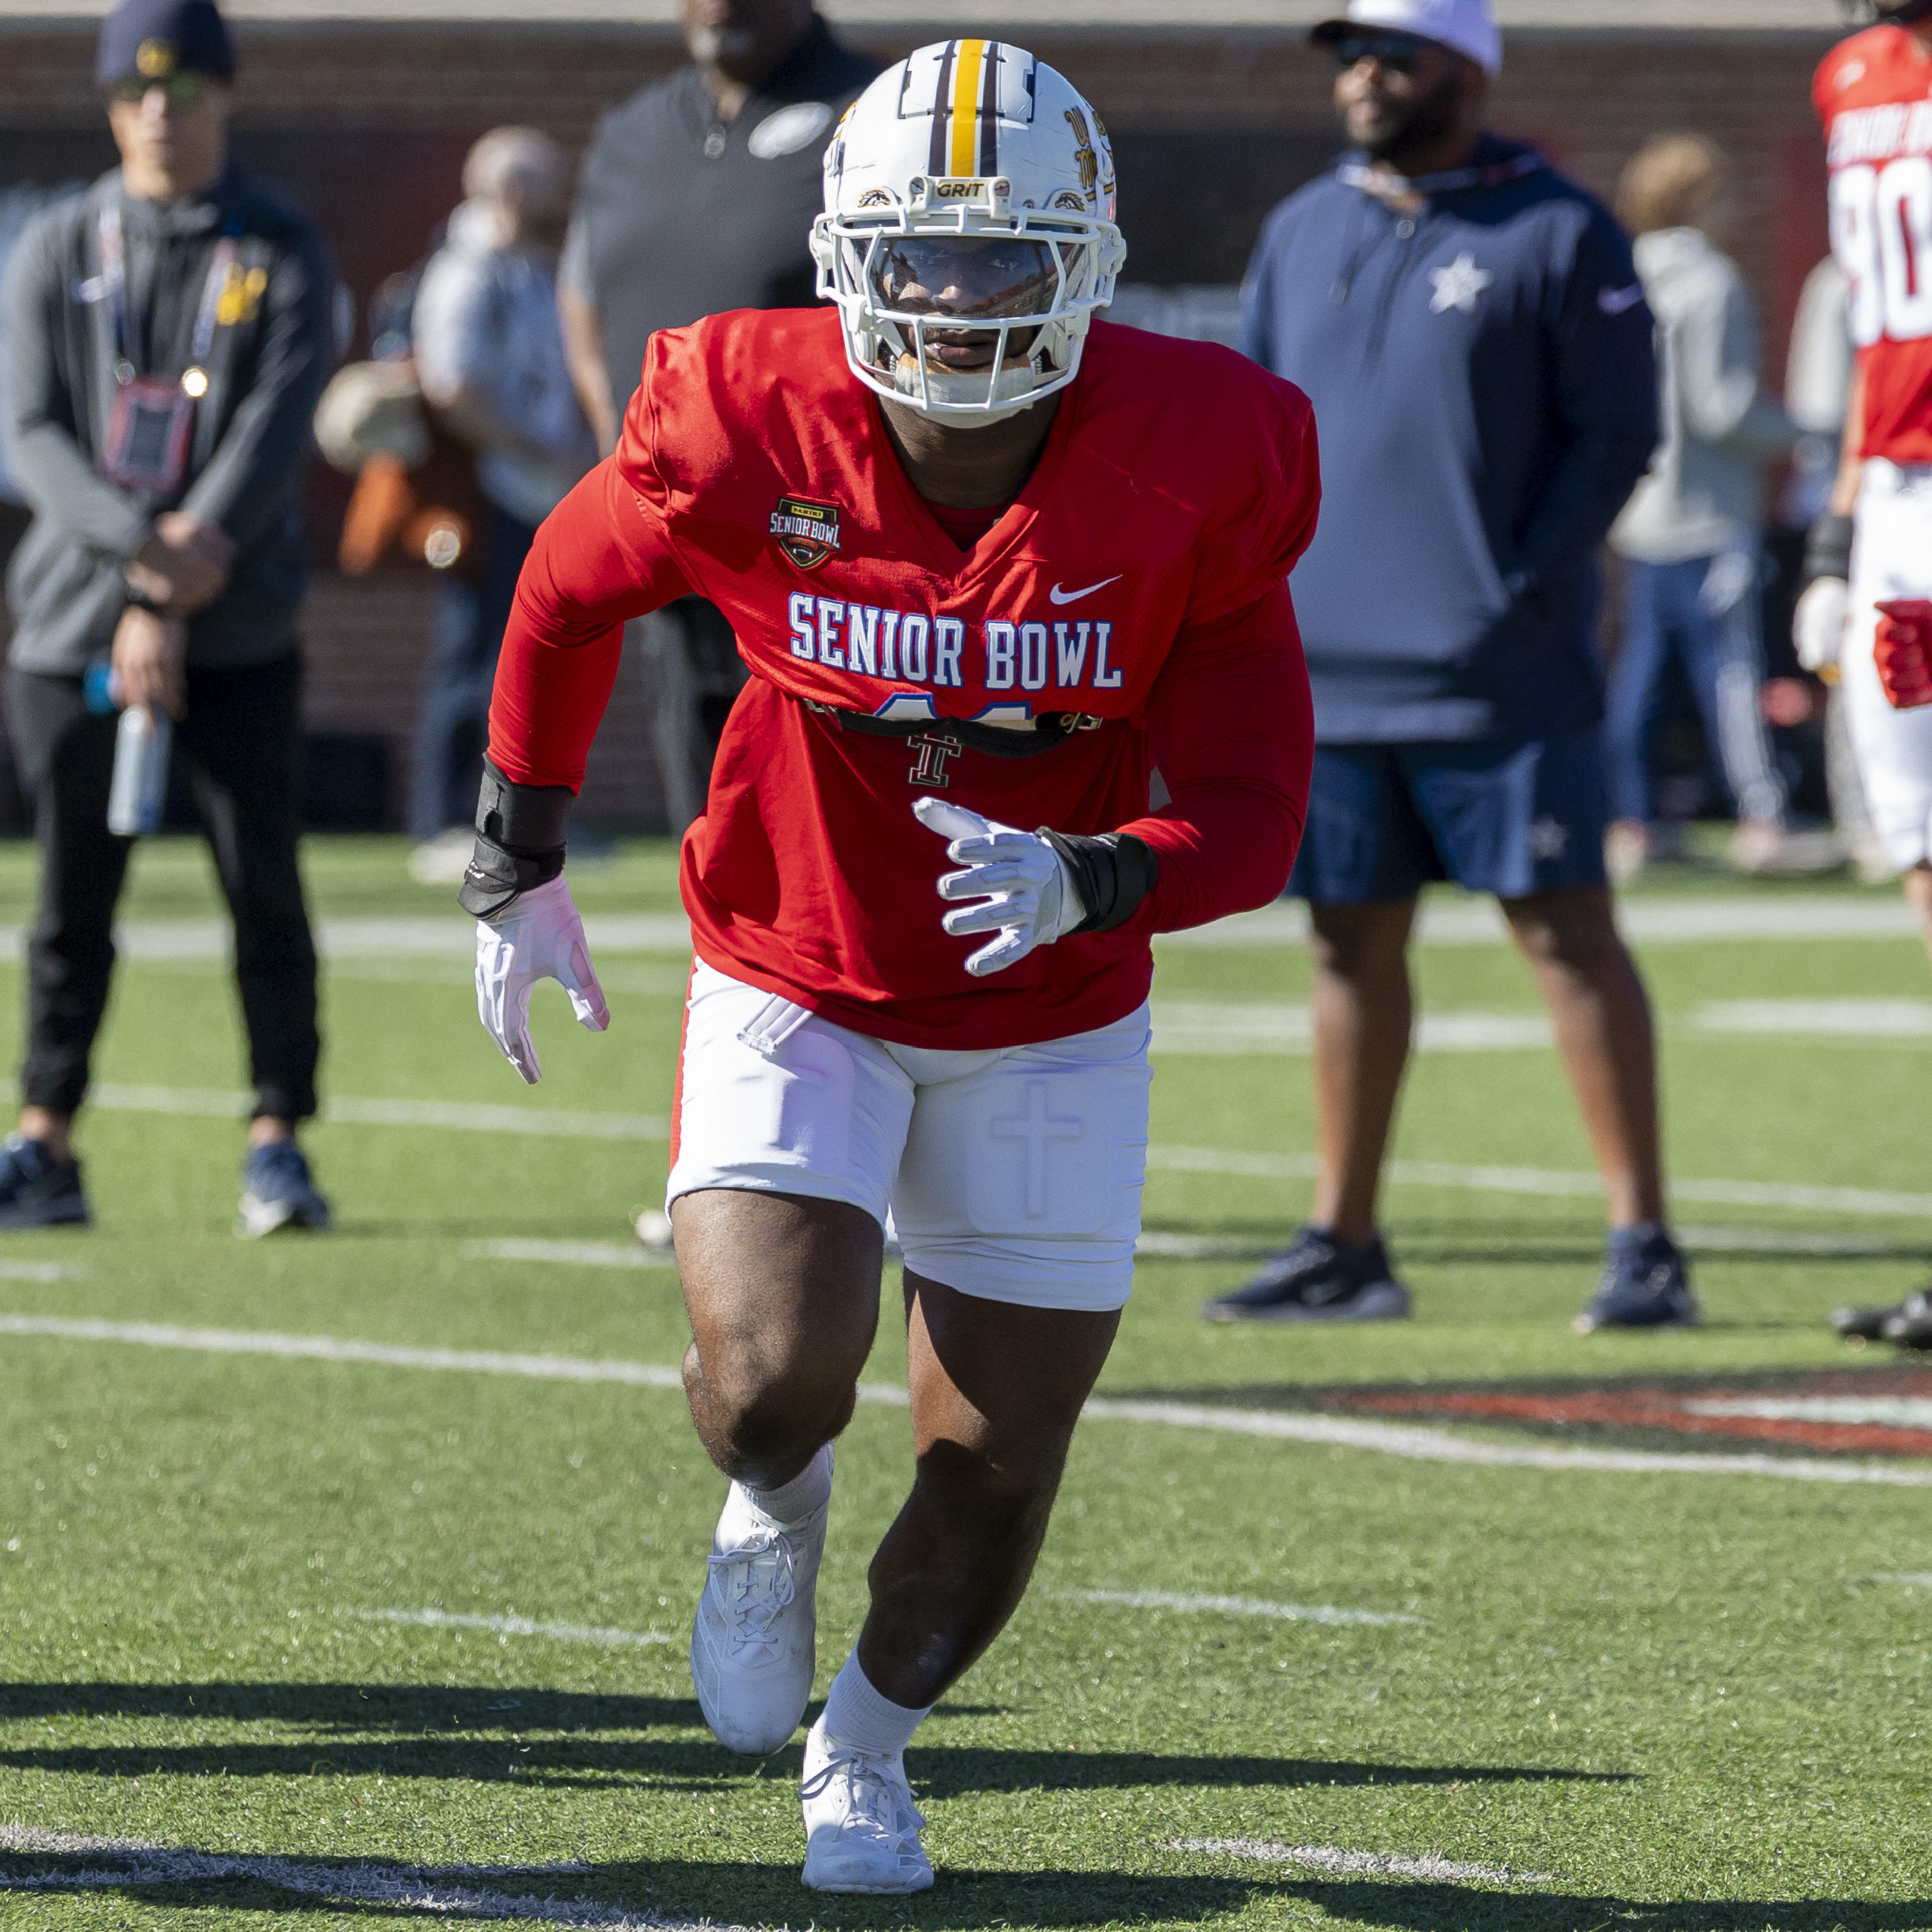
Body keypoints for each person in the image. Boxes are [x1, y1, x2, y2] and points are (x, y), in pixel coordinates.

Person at [461, 41, 1317, 1891]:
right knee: (774, 1378)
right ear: (844, 257)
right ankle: (770, 1506)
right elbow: (563, 588)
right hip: (802, 958)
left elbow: (1255, 811)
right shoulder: (743, 412)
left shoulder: (1201, 454)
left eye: (1002, 257)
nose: (952, 299)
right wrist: (513, 857)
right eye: (917, 255)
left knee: (1001, 1451)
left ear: (1086, 263)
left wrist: (1102, 875)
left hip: (1048, 1009)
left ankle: (867, 1748)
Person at [1217, 0, 1692, 1334]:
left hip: (1499, 669)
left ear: (1466, 65)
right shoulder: (1304, 226)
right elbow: (1257, 436)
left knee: (1566, 931)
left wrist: (1526, 584)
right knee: (1345, 942)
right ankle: (1344, 1240)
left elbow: (1618, 434)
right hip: (1328, 670)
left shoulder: (1559, 224)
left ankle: (1644, 1242)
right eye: (1346, 53)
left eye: (1392, 51)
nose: (1362, 75)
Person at [0, 0, 335, 1237]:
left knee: (264, 889)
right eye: (137, 91)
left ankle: (276, 1139)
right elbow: (30, 431)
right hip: (70, 628)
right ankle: (47, 1141)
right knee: (68, 905)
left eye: (184, 88)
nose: (158, 110)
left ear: (224, 97)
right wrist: (141, 560)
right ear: (108, 105)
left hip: (235, 628)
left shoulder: (280, 248)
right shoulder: (55, 244)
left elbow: (268, 437)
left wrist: (175, 578)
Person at [559, 0, 880, 840]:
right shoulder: (634, 128)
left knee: (835, 828)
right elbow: (583, 289)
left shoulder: (879, 112)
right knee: (707, 821)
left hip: (826, 550)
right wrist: (614, 430)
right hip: (673, 536)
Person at [1796, 0, 1932, 1350]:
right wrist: (1838, 534)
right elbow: (1871, 351)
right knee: (1923, 859)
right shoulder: (1850, 74)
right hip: (1897, 502)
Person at [1603, 134, 1820, 881]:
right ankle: (1764, 821)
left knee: (1641, 676)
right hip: (1708, 516)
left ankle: (1632, 822)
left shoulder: (1625, 273)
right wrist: (1815, 430)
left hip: (1641, 515)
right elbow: (1722, 407)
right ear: (1696, 199)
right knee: (1729, 675)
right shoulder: (1712, 280)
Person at [406, 127, 593, 882]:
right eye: (547, 181)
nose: (564, 194)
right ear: (513, 190)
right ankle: (445, 819)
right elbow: (452, 384)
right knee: (474, 652)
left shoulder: (539, 265)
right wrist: (536, 450)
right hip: (492, 490)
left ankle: (521, 820)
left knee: (536, 657)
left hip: (544, 491)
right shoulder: (469, 267)